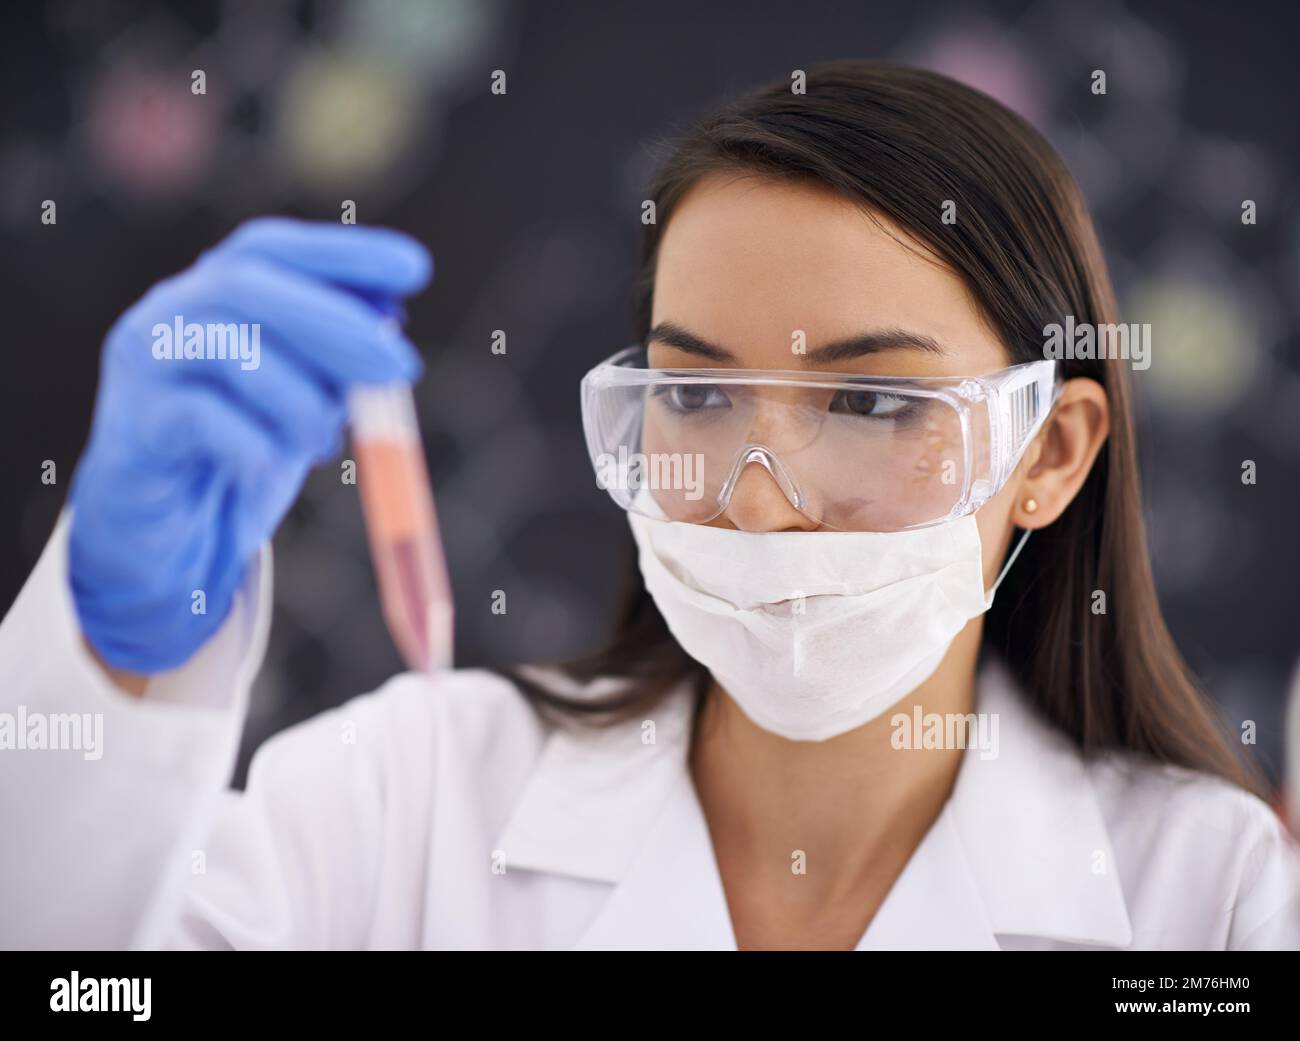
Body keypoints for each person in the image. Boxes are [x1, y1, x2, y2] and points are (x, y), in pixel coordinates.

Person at [2, 60, 1297, 951]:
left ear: (1050, 452)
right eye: (696, 393)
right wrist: (103, 667)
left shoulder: (1206, 891)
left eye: (871, 404)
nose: (757, 502)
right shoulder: (403, 796)